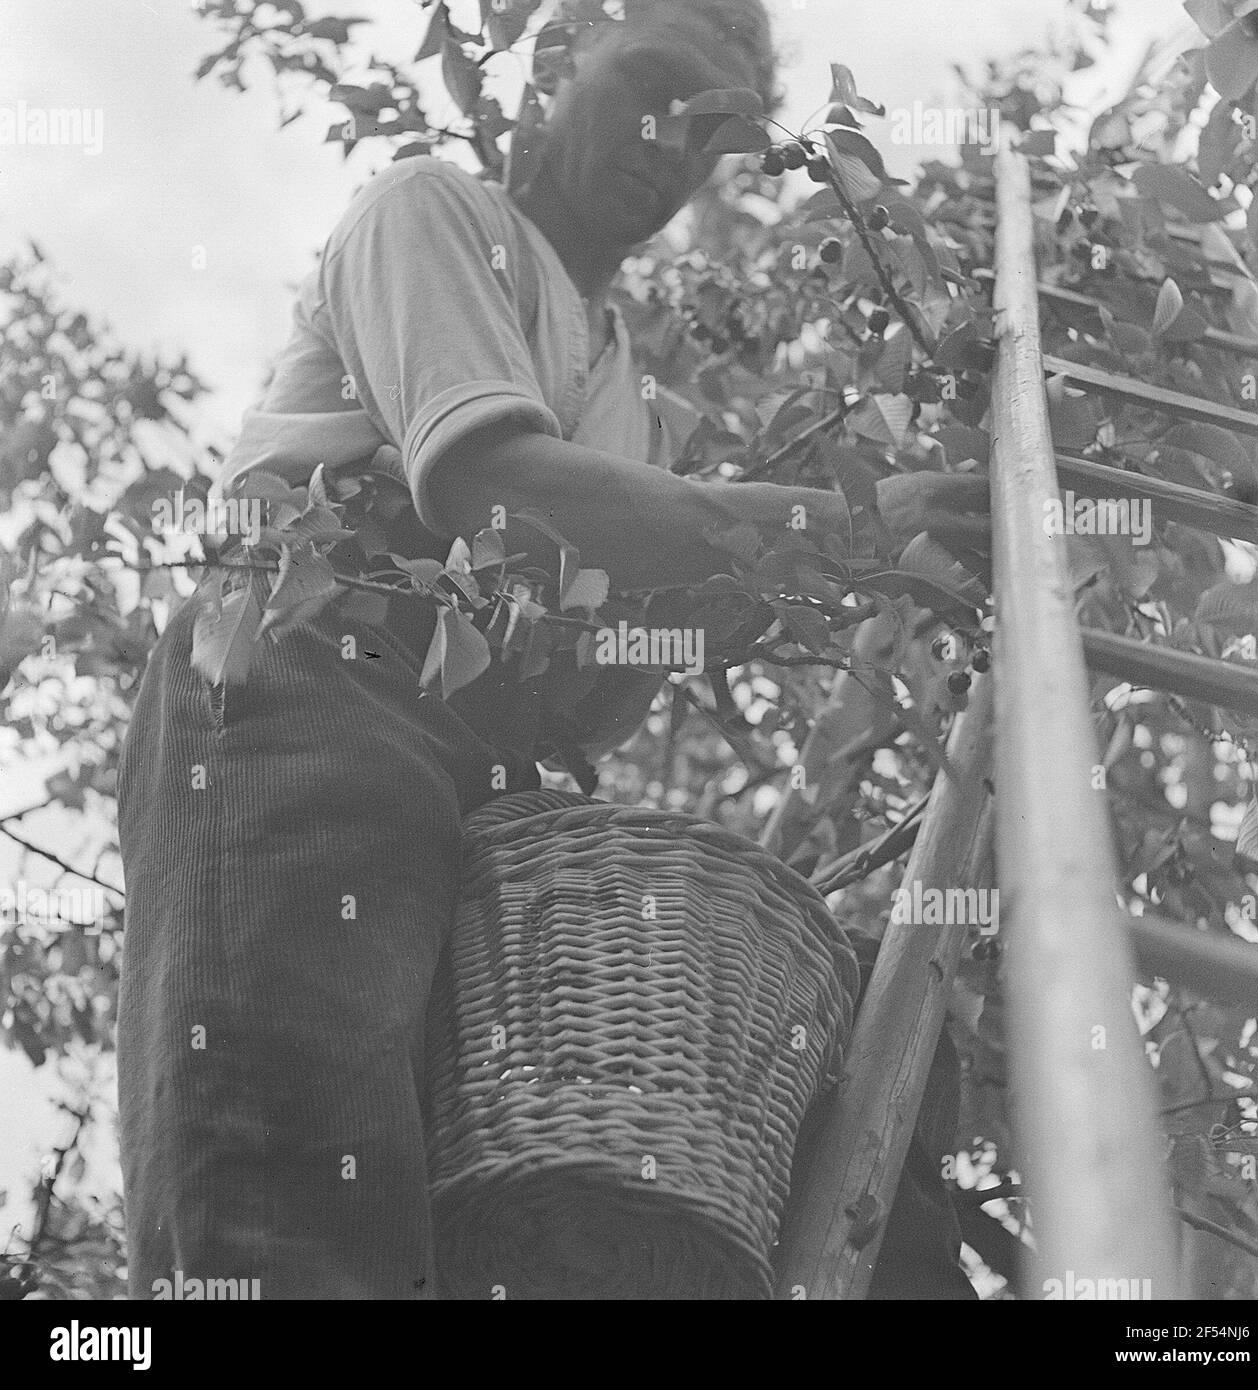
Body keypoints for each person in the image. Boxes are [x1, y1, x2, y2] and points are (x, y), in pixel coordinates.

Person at [118, 0, 980, 1299]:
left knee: (442, 1225)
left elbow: (591, 679)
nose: (667, 142)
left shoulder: (629, 387)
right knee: (288, 1191)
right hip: (304, 689)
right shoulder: (431, 212)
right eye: (649, 85)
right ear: (557, 59)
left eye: (707, 133)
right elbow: (494, 490)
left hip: (463, 787)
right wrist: (844, 524)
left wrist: (828, 578)